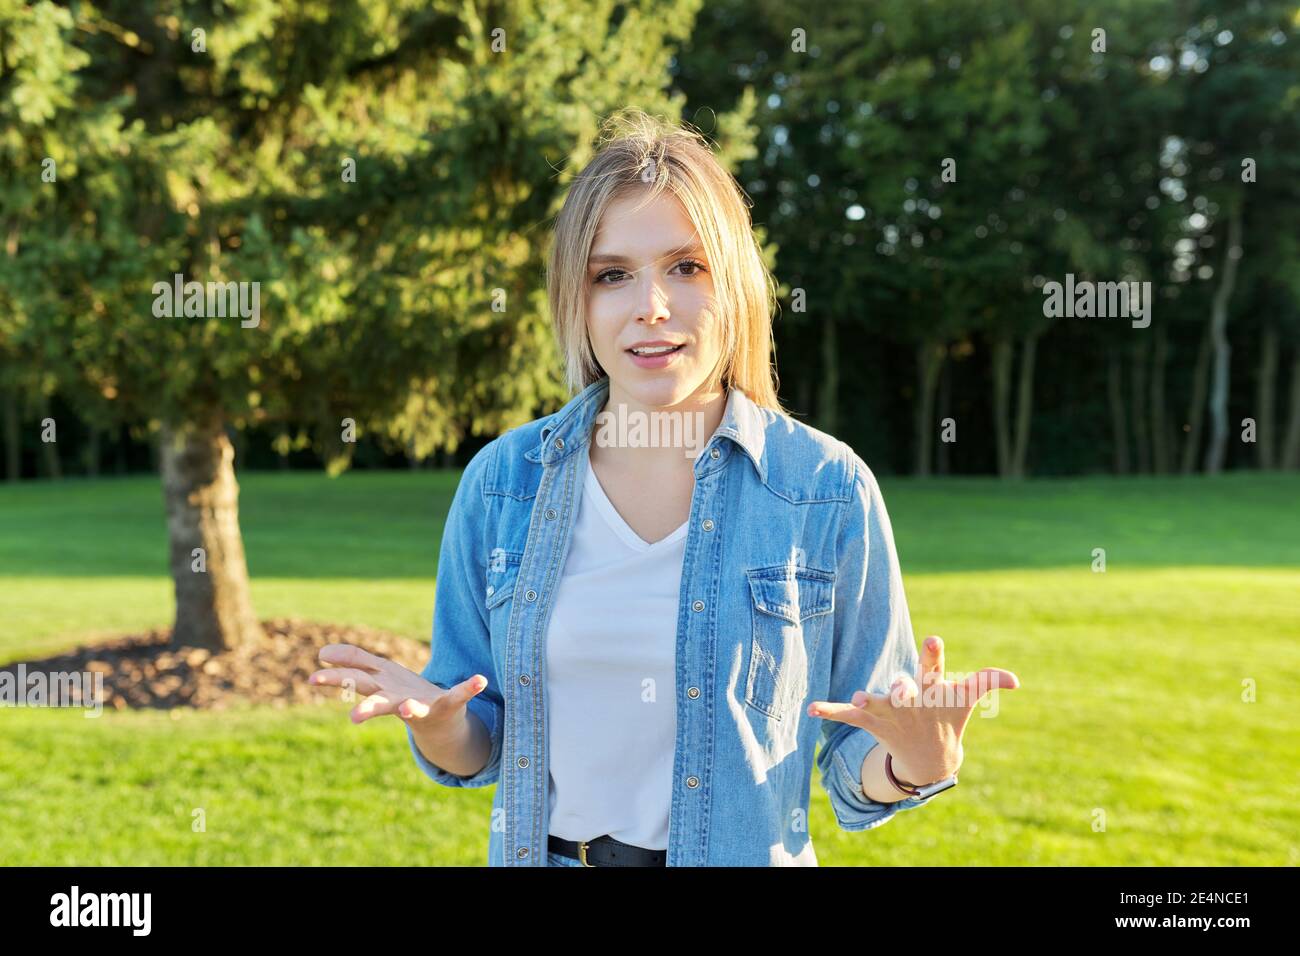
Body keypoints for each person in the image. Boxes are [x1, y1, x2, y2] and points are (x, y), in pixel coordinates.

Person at [308, 108, 1019, 866]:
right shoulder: (501, 485)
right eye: (613, 274)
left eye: (687, 267)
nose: (651, 304)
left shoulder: (825, 488)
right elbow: (475, 739)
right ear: (577, 303)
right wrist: (437, 723)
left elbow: (857, 758)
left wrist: (921, 763)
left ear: (736, 284)